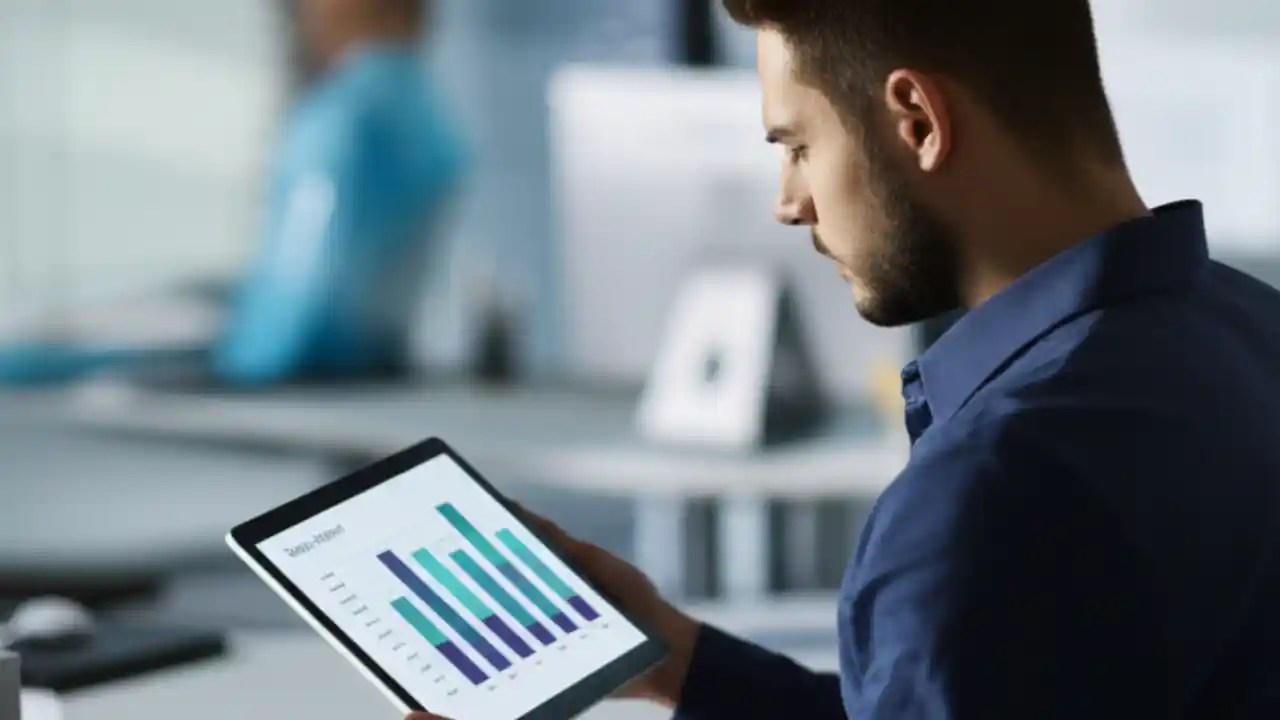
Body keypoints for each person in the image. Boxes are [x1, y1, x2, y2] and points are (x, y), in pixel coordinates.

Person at [411, 0, 1280, 717]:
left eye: (796, 147)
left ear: (917, 122)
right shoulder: (1253, 332)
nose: (788, 203)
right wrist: (675, 659)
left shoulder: (984, 493)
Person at [215, 0, 466, 384]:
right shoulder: (431, 112)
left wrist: (240, 371)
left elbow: (299, 287)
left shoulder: (339, 118)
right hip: (381, 372)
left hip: (306, 385)